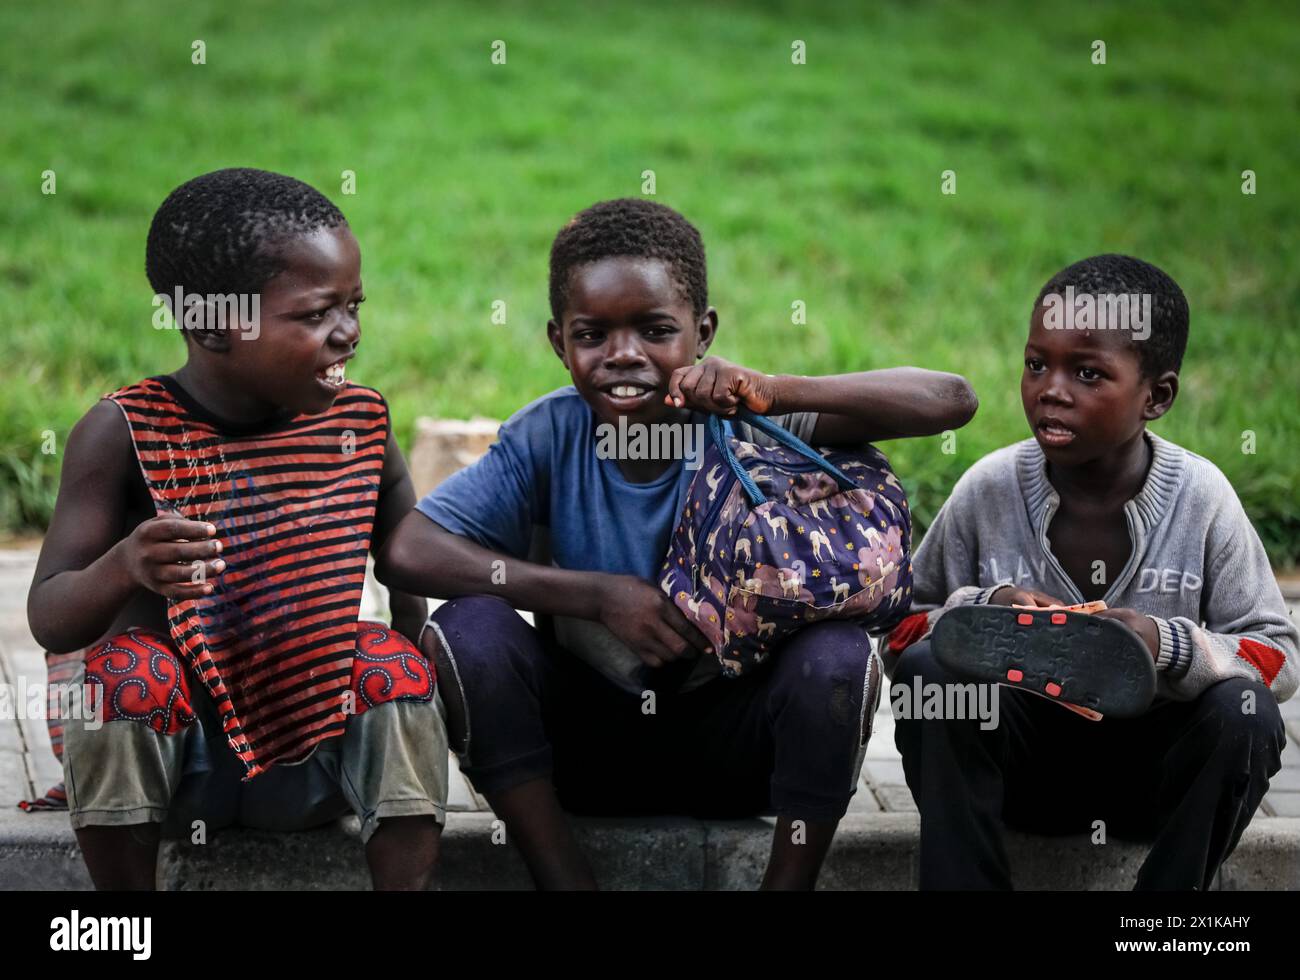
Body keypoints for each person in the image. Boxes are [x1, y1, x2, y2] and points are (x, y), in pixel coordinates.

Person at [377, 197, 978, 889]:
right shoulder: (547, 436)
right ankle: (562, 879)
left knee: (837, 655)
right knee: (469, 630)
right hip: (584, 757)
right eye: (592, 334)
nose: (624, 354)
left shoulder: (750, 417)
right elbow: (408, 551)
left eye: (656, 329)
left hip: (738, 753)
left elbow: (952, 399)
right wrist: (596, 595)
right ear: (557, 342)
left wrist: (773, 390)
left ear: (704, 330)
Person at [25, 168, 447, 890]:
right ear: (211, 323)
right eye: (317, 314)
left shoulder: (359, 424)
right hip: (180, 768)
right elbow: (49, 616)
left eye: (354, 305)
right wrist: (125, 566)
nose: (348, 333)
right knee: (124, 677)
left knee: (393, 668)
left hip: (314, 756)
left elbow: (405, 565)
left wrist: (410, 697)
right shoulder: (124, 431)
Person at [885, 253, 1297, 890]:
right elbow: (902, 627)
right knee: (929, 674)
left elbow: (1277, 654)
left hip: (1151, 786)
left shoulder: (1201, 498)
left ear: (1155, 396)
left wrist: (1167, 645)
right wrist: (987, 608)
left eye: (1087, 372)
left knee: (1245, 712)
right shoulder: (990, 488)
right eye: (1035, 364)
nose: (1051, 388)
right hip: (1020, 779)